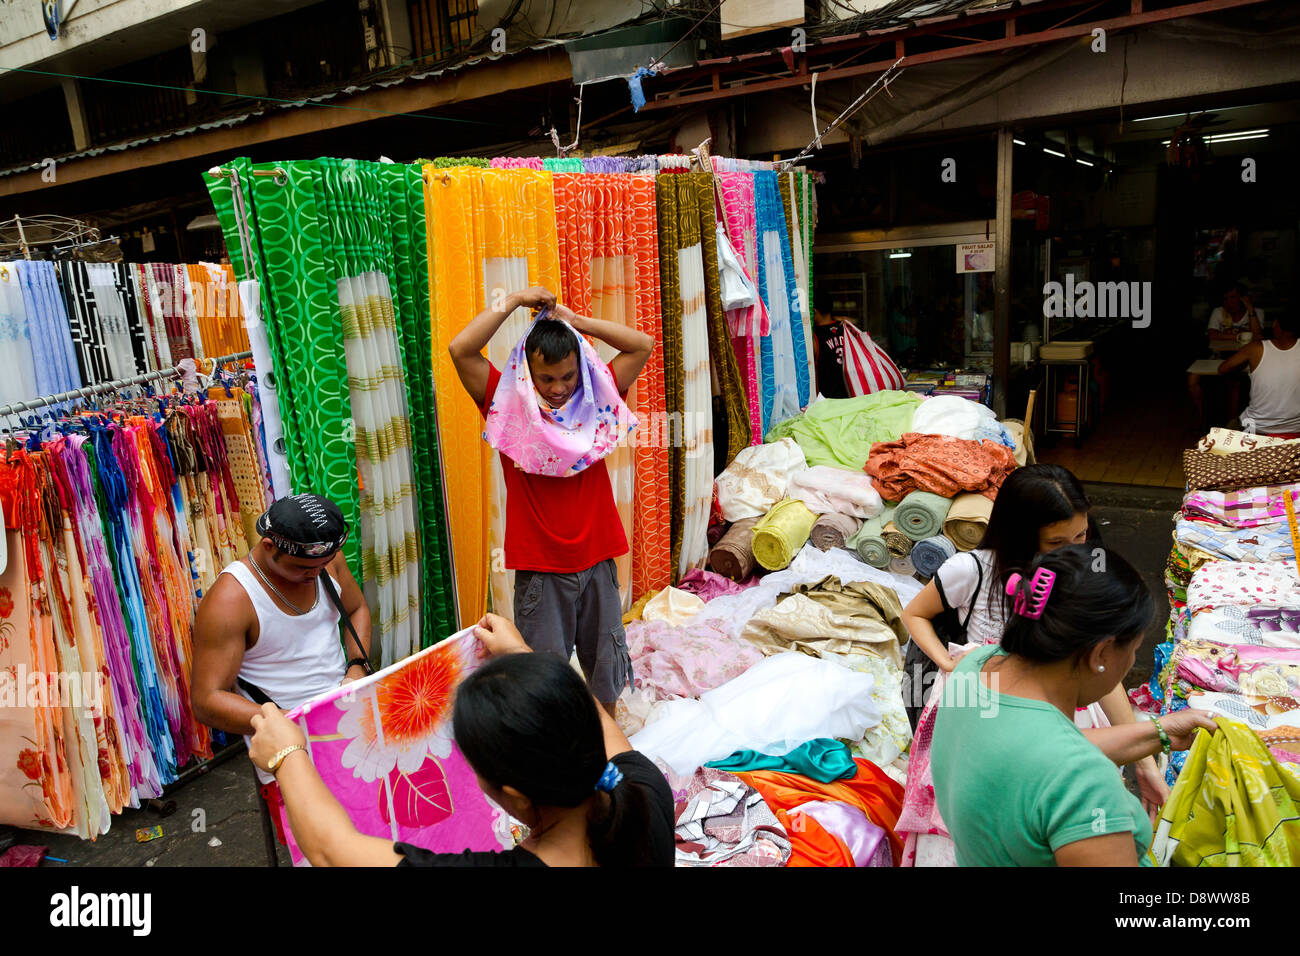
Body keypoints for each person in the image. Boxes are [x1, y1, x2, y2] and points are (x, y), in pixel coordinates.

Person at [246, 613, 675, 867]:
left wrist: (287, 754)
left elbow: (331, 851)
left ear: (515, 797)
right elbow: (602, 728)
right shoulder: (644, 794)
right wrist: (522, 657)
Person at [897, 464, 1167, 865]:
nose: (1077, 550)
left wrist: (1145, 752)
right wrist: (947, 662)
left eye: (1082, 535)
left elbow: (1085, 697)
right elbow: (1059, 754)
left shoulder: (987, 671)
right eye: (1057, 542)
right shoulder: (1078, 780)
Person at [929, 545, 1218, 866]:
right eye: (1134, 649)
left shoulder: (974, 668)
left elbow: (1029, 753)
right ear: (1100, 655)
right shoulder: (1085, 785)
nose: (1133, 661)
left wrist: (1158, 734)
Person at [448, 288, 654, 717]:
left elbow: (642, 344)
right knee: (544, 682)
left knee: (606, 676)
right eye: (547, 379)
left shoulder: (595, 401)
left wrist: (578, 323)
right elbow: (460, 348)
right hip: (541, 570)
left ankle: (605, 748)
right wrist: (516, 299)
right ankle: (559, 758)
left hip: (598, 560)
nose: (559, 388)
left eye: (568, 376)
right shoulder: (505, 405)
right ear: (528, 371)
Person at [191, 494, 371, 840]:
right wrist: (283, 722)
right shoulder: (233, 599)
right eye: (304, 569)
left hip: (347, 716)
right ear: (270, 545)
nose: (316, 574)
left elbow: (357, 609)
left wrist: (357, 666)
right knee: (325, 848)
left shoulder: (322, 561)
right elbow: (206, 699)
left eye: (323, 565)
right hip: (289, 743)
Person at [1217, 305, 1300, 438]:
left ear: (1276, 325)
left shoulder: (1256, 348)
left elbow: (1223, 369)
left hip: (1257, 426)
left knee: (1231, 423)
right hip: (1296, 427)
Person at [1189, 282, 1265, 421]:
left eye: (1233, 298)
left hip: (1248, 359)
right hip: (1221, 356)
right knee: (1193, 378)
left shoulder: (1256, 312)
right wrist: (1238, 336)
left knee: (1237, 381)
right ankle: (1202, 418)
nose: (1228, 302)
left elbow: (1258, 336)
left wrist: (1250, 309)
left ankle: (1235, 418)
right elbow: (1212, 334)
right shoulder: (1219, 312)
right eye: (1225, 298)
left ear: (1243, 299)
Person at [810, 292, 851, 399]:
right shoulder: (846, 327)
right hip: (851, 395)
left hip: (827, 401)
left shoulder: (813, 336)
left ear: (814, 311)